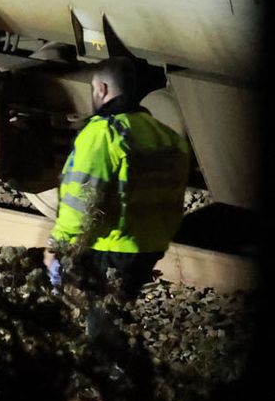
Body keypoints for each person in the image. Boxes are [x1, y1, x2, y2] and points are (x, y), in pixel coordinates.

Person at [44, 56, 192, 305]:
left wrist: (57, 245)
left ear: (101, 89)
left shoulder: (104, 133)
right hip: (148, 248)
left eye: (93, 88)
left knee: (96, 318)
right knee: (117, 312)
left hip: (110, 247)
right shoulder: (165, 135)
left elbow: (80, 198)